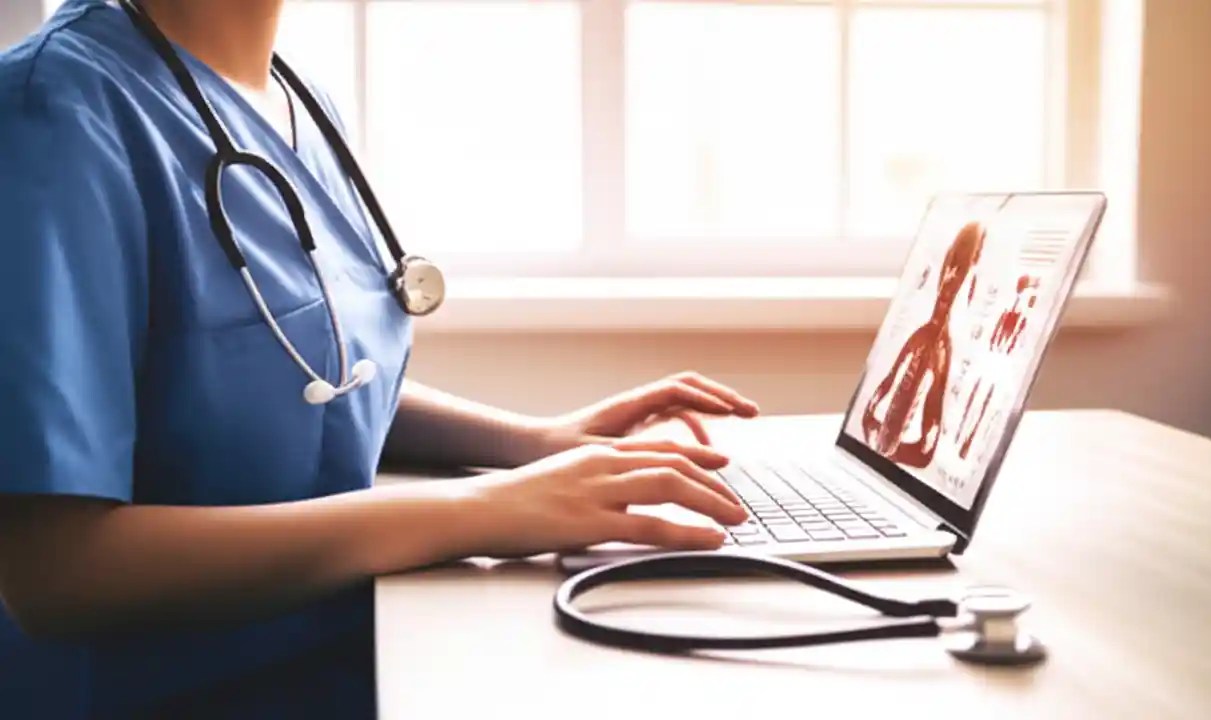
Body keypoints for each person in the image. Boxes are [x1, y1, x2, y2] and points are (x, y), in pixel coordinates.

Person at [0, 1, 757, 717]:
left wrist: (535, 443)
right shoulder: (54, 116)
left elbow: (305, 378)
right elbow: (55, 570)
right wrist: (484, 512)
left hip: (352, 663)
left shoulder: (296, 99)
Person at [861, 220, 986, 468]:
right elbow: (891, 383)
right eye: (950, 268)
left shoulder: (940, 344)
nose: (951, 277)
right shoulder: (926, 338)